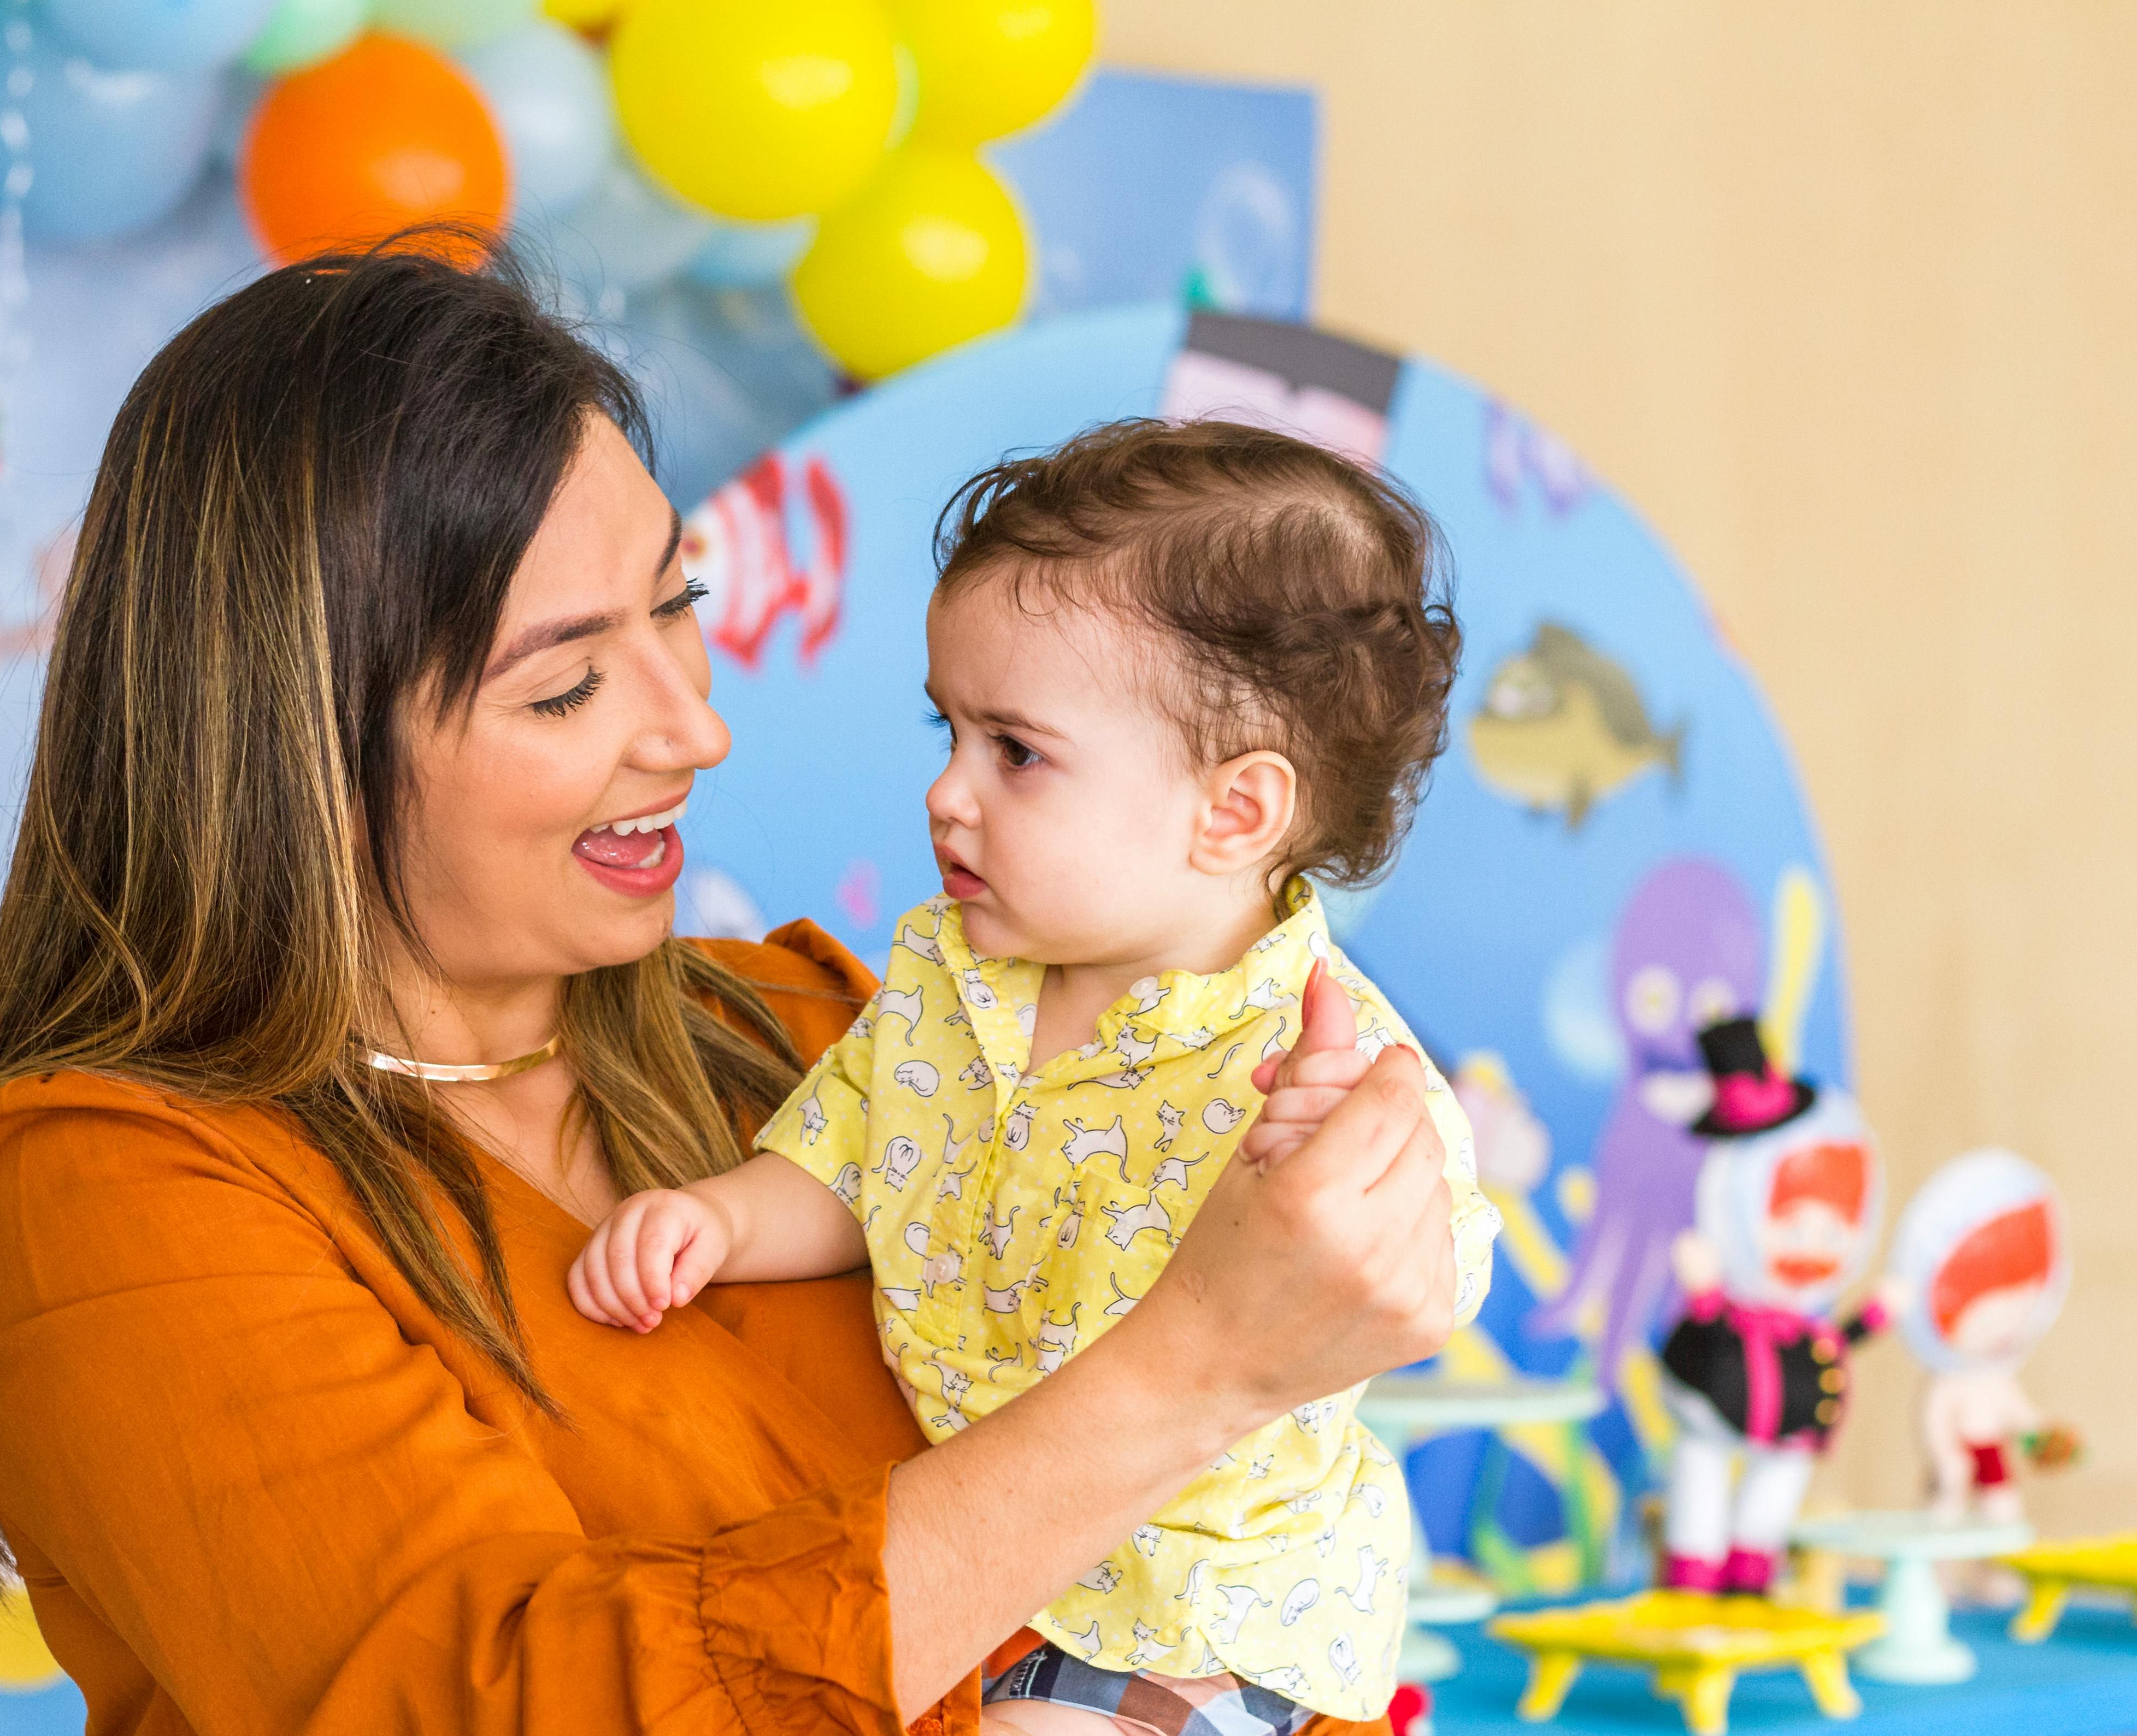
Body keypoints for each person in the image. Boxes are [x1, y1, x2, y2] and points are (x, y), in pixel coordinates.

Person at [0, 237, 1466, 1736]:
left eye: (677, 610)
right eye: (568, 682)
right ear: (298, 755)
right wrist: (1193, 1367)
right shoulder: (106, 1184)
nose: (692, 730)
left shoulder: (800, 1028)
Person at [566, 422, 1501, 1734]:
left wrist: (1328, 1180)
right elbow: (851, 1161)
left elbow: (1423, 1269)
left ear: (1232, 811)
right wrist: (719, 1217)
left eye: (1017, 751)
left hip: (1201, 1618)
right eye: (946, 731)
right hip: (1000, 1574)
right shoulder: (952, 979)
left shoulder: (1310, 1051)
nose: (947, 794)